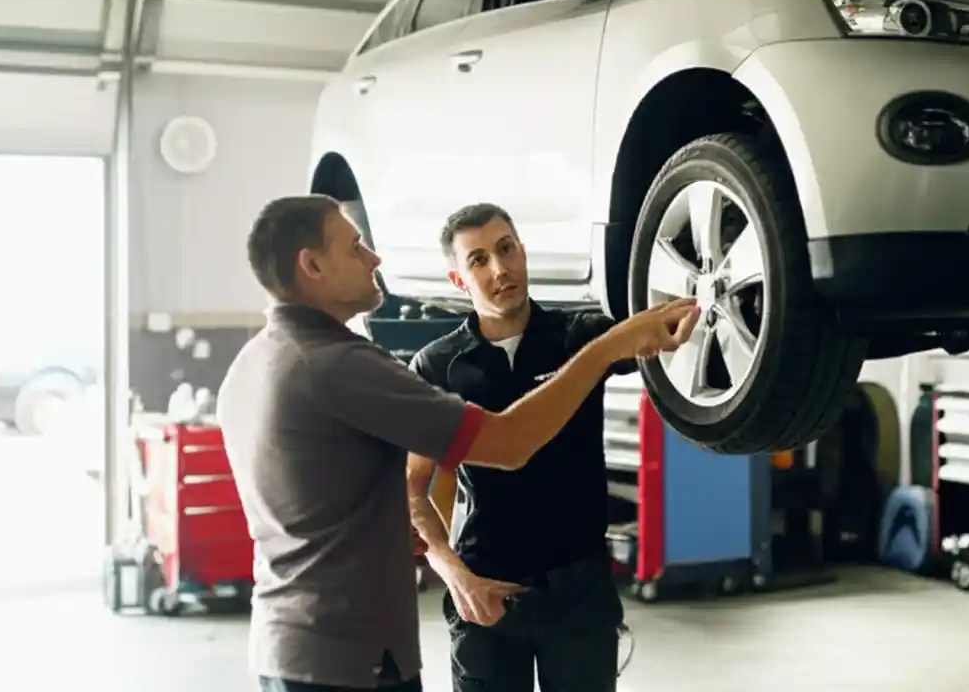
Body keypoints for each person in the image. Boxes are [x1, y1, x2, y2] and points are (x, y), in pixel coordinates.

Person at [215, 194, 699, 692]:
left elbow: (668, 335)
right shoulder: (360, 366)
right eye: (357, 246)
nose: (375, 259)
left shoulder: (251, 367)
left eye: (508, 248)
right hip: (377, 639)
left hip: (568, 591)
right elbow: (504, 444)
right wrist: (456, 575)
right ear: (311, 265)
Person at [405, 203, 641, 692]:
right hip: (486, 590)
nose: (500, 269)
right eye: (478, 260)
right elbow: (410, 488)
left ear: (523, 252)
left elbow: (656, 336)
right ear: (458, 280)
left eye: (507, 249)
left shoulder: (580, 337)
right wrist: (454, 576)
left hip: (579, 586)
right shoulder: (438, 366)